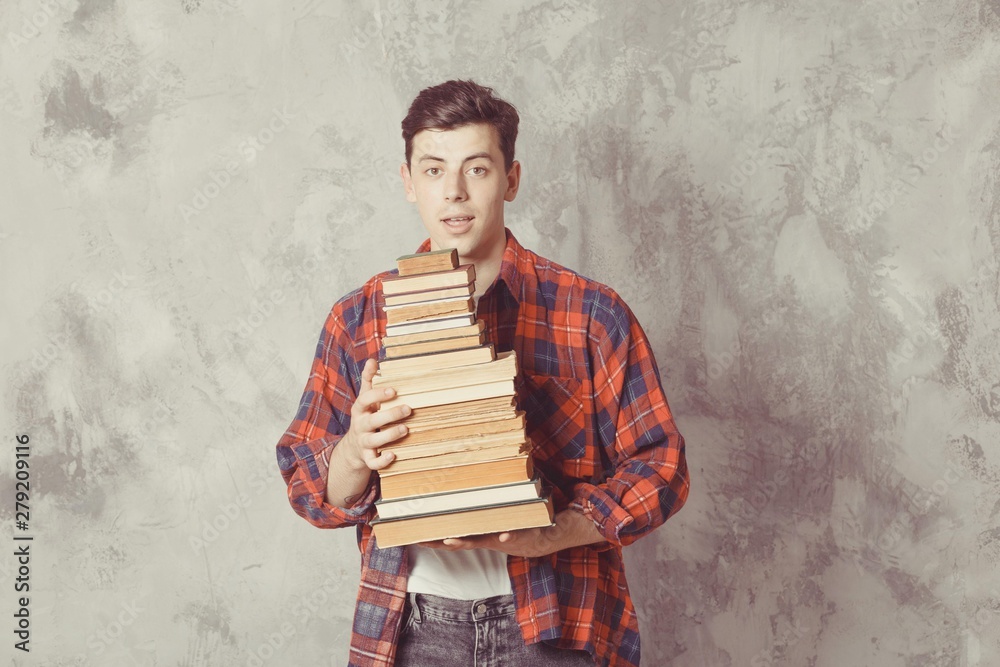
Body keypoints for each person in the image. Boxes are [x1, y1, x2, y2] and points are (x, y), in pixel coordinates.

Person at [276, 79, 689, 667]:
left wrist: (551, 533)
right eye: (434, 170)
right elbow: (309, 488)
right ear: (407, 182)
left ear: (511, 179)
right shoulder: (358, 318)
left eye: (477, 169)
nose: (453, 193)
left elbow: (662, 468)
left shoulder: (593, 314)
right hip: (413, 625)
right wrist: (354, 452)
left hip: (554, 621)